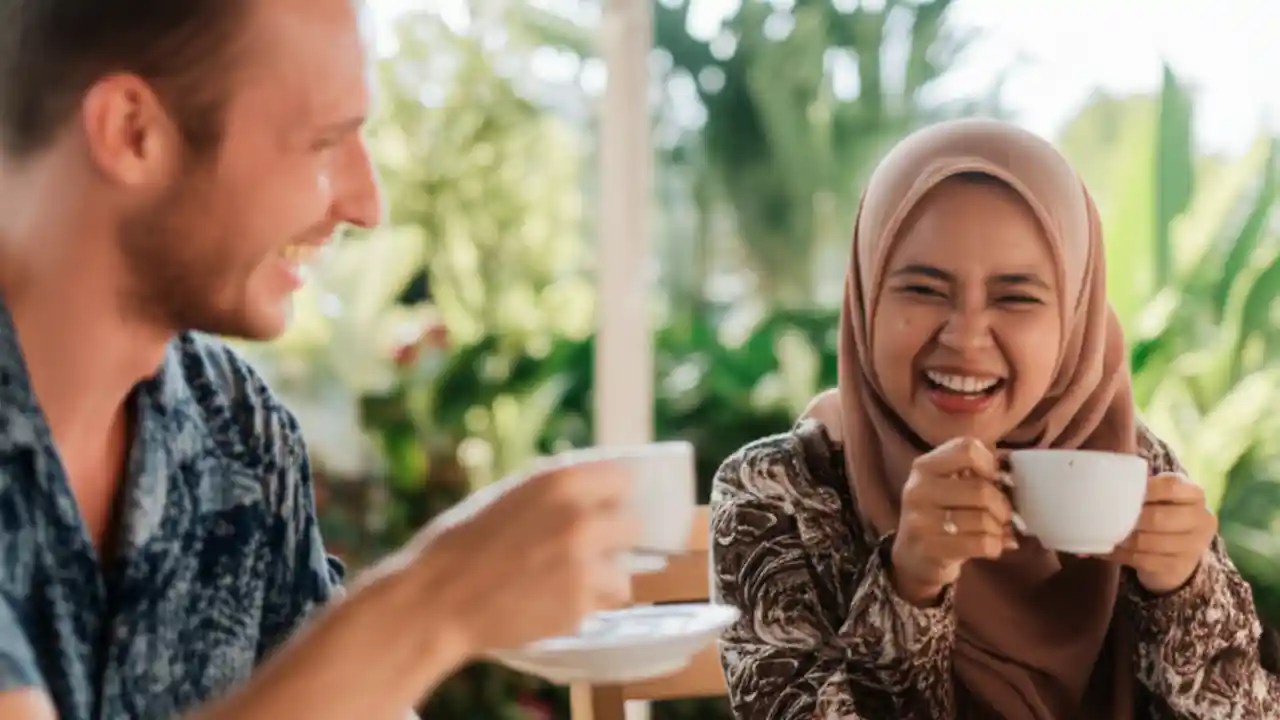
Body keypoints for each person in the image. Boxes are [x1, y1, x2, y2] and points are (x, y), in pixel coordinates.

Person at [0, 1, 639, 719]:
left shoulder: (236, 428)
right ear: (132, 132)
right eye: (323, 143)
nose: (366, 206)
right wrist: (433, 603)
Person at [710, 119, 1280, 719]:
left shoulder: (1128, 469)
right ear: (867, 297)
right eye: (923, 289)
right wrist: (909, 587)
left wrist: (1185, 593)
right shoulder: (777, 492)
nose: (965, 337)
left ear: (1075, 316)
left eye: (1016, 297)